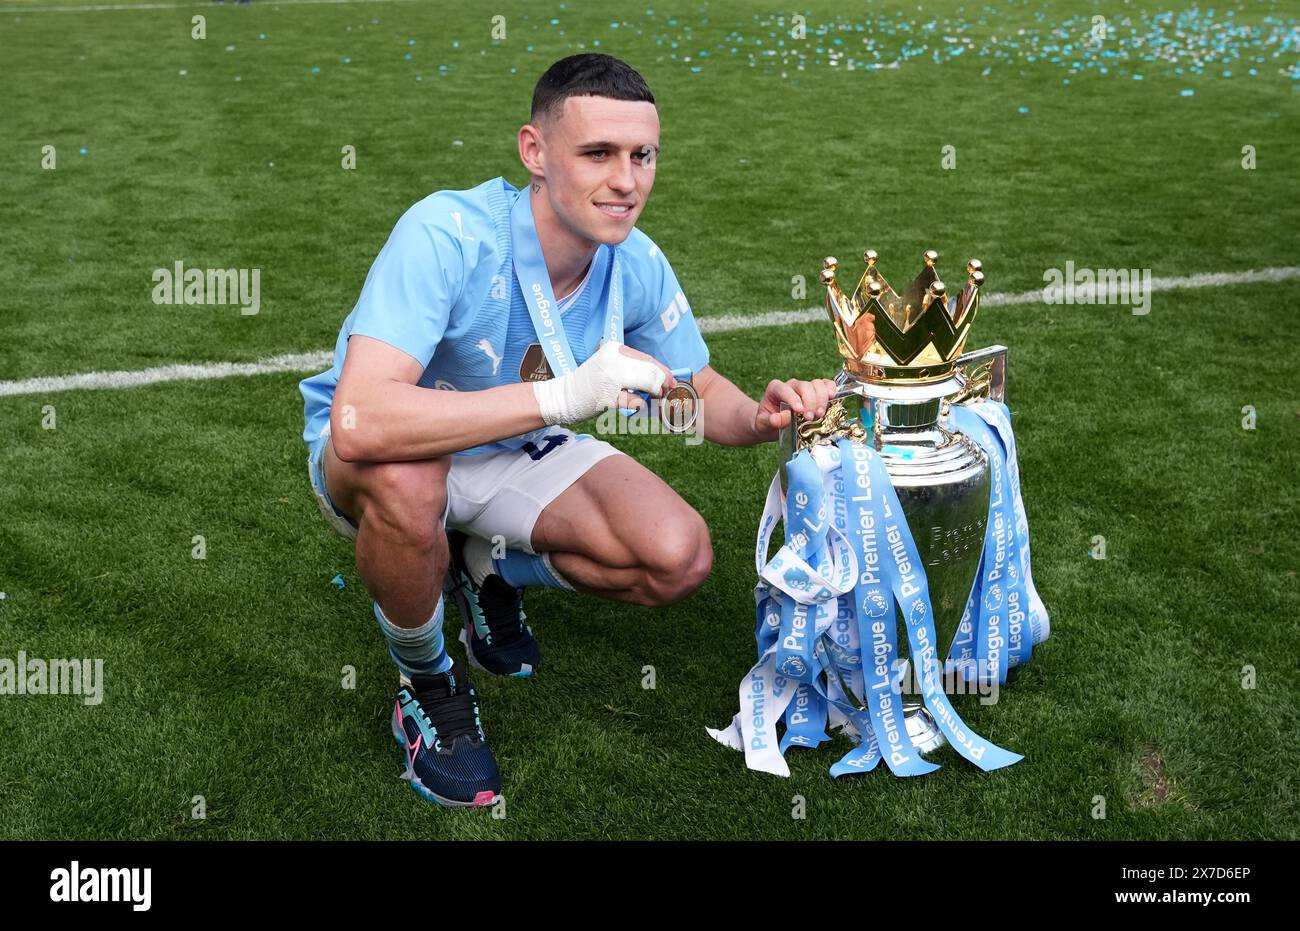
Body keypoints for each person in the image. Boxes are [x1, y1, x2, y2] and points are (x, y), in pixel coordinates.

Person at [299, 53, 850, 809]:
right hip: (393, 459)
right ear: (535, 151)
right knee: (408, 477)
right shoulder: (446, 232)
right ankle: (427, 684)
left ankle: (485, 569)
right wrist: (563, 396)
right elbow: (360, 424)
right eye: (598, 153)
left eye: (642, 155)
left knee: (678, 557)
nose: (626, 180)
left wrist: (761, 416)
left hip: (514, 447)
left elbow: (696, 393)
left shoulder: (635, 259)